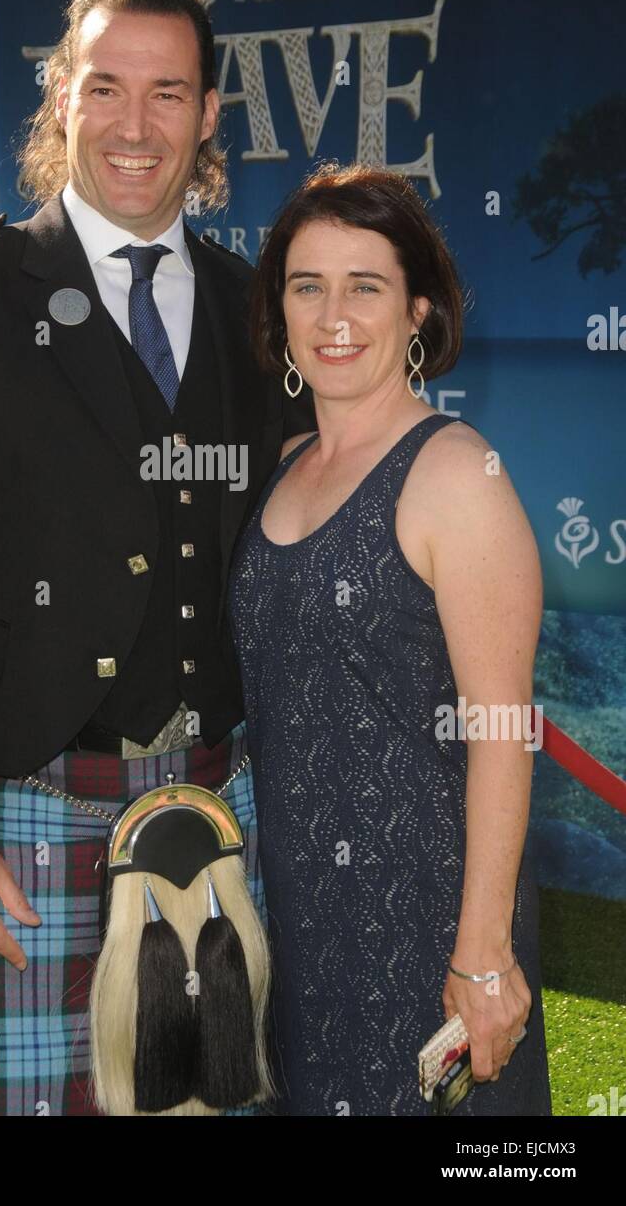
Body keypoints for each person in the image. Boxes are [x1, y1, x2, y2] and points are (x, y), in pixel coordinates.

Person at [0, 0, 314, 1117]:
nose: (134, 125)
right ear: (60, 94)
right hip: (18, 813)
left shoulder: (257, 310)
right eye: (105, 87)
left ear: (210, 116)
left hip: (216, 803)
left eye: (168, 95)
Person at [227, 161, 552, 1115]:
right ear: (278, 309)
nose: (334, 314)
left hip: (432, 928)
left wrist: (482, 954)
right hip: (298, 925)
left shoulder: (455, 474)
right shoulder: (285, 463)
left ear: (416, 310)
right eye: (307, 285)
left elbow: (502, 733)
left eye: (365, 286)